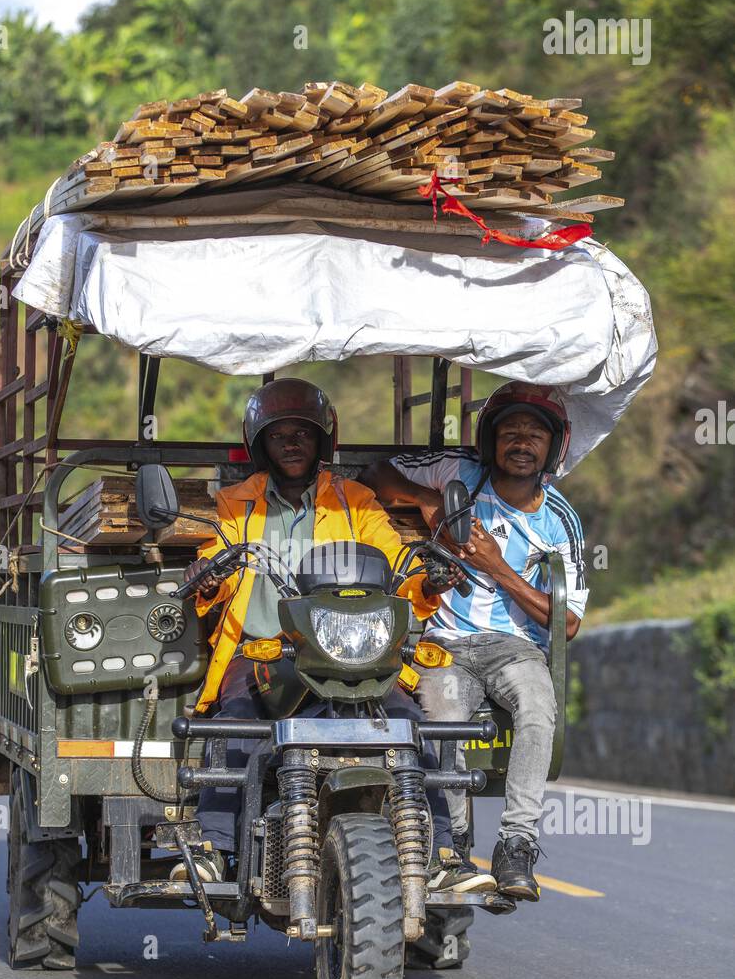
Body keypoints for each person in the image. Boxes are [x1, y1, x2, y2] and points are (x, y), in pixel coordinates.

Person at [174, 377, 456, 883]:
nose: (291, 442)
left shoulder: (356, 501)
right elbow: (213, 559)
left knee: (404, 722)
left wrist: (428, 580)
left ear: (322, 439)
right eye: (278, 433)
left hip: (351, 653)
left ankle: (439, 855)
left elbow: (400, 567)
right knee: (235, 721)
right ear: (260, 442)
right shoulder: (236, 502)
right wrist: (208, 574)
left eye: (302, 432)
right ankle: (210, 847)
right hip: (262, 651)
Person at [360, 380, 588, 901]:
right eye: (510, 432)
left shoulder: (561, 520)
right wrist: (428, 502)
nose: (522, 443)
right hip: (446, 642)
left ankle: (516, 845)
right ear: (489, 440)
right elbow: (374, 473)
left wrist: (497, 569)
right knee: (442, 716)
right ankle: (453, 846)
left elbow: (568, 623)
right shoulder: (456, 471)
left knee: (537, 706)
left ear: (554, 448)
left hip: (514, 647)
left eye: (535, 434)